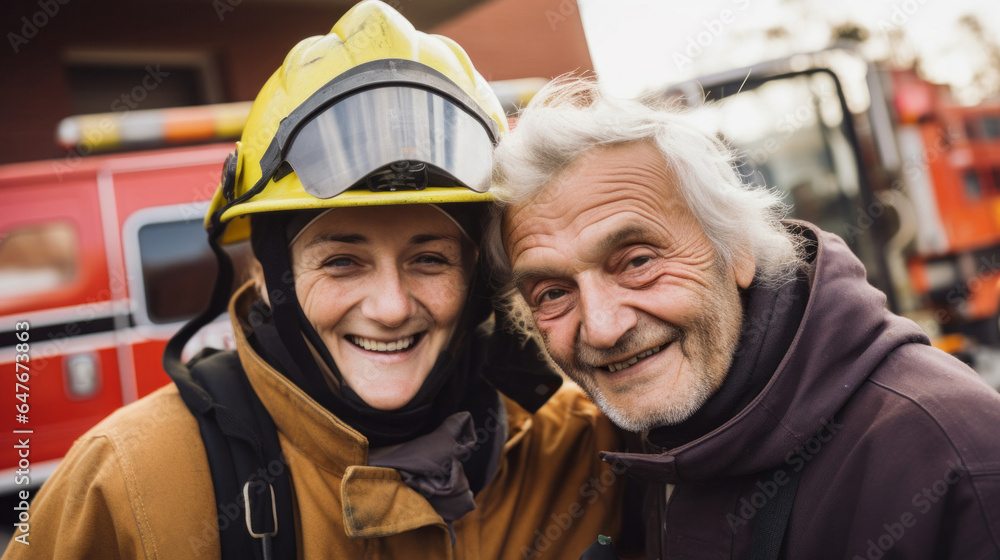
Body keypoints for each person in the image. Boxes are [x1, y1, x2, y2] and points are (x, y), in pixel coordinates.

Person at [3, 5, 627, 559]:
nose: (389, 308)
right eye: (341, 261)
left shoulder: (582, 445)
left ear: (481, 275)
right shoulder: (125, 486)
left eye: (430, 259)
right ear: (273, 275)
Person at [484, 77, 1000, 559]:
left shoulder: (950, 454)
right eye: (552, 292)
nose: (602, 327)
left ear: (736, 250)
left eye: (638, 262)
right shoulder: (640, 440)